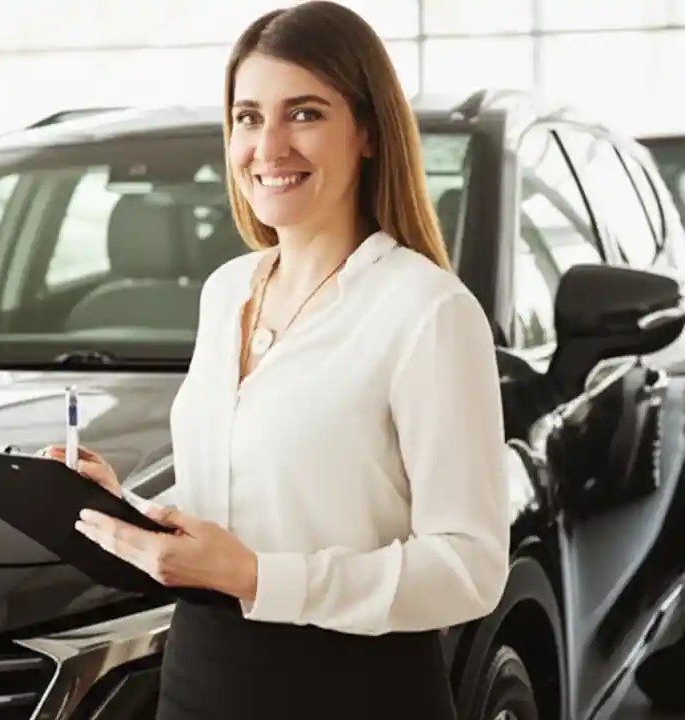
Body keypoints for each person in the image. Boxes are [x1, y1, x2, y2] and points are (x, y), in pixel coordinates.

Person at [39, 2, 510, 717]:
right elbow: (237, 511)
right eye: (249, 117)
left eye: (306, 114)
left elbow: (470, 570)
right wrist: (123, 510)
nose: (270, 145)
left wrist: (261, 577)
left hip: (351, 688)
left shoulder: (428, 311)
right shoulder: (229, 289)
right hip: (204, 672)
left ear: (369, 134)